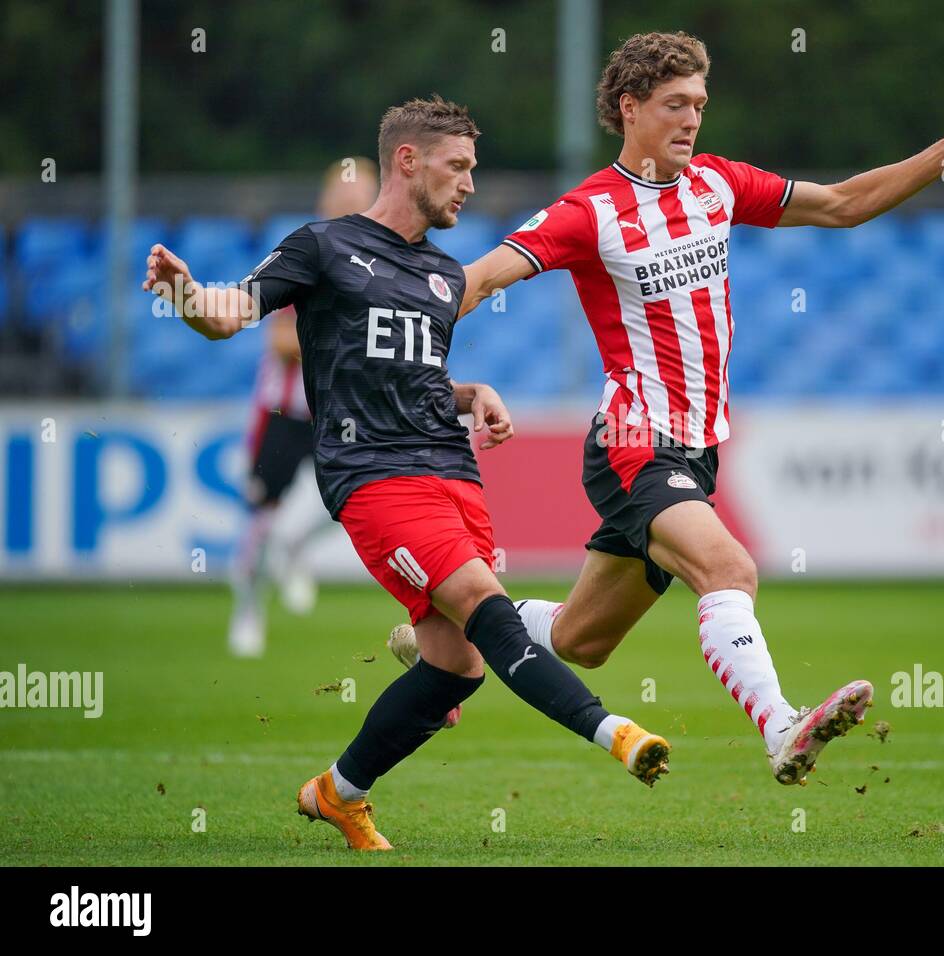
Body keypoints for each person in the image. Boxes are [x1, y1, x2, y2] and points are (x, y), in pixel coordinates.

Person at [393, 32, 944, 786]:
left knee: (582, 638)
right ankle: (781, 727)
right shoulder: (589, 211)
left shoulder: (718, 185)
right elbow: (478, 279)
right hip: (635, 439)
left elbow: (844, 205)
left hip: (696, 447)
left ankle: (460, 623)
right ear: (629, 109)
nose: (692, 119)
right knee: (729, 567)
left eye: (699, 103)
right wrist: (397, 353)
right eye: (674, 105)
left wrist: (943, 153)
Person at [142, 94, 671, 851]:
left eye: (474, 169)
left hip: (451, 469)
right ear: (408, 160)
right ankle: (614, 732)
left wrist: (470, 392)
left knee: (456, 668)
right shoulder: (322, 246)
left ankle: (337, 792)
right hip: (372, 476)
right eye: (459, 167)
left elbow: (411, 377)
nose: (470, 185)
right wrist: (184, 293)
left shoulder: (444, 276)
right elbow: (231, 314)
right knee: (488, 611)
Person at [228, 158, 379, 658]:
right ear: (325, 202)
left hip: (341, 411)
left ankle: (295, 548)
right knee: (260, 514)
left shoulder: (380, 261)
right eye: (342, 197)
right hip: (285, 410)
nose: (351, 206)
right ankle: (248, 608)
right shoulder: (306, 252)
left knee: (363, 495)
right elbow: (277, 338)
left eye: (361, 198)